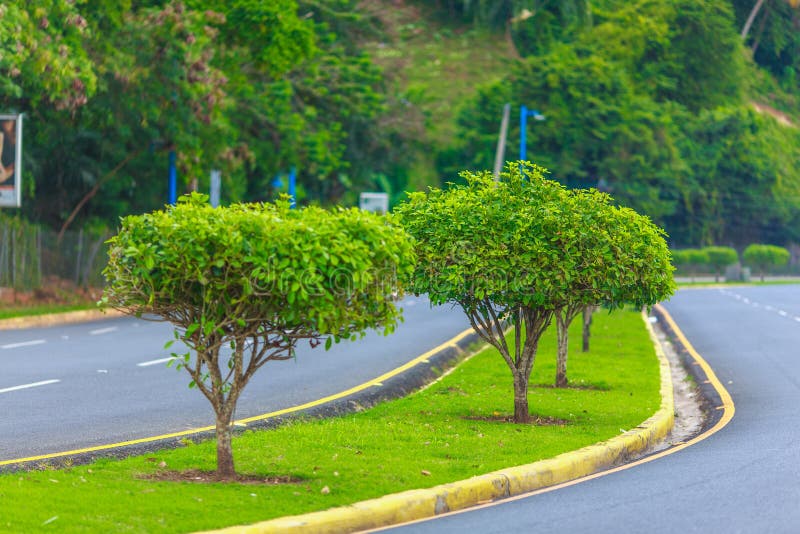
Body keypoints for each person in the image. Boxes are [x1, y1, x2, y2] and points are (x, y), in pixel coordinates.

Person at [0, 119, 16, 185]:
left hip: (10, 183)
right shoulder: (1, 134)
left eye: (8, 121)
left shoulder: (18, 135)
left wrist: (6, 175)